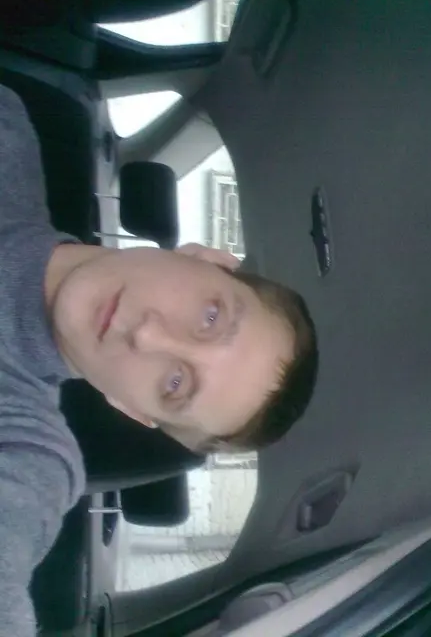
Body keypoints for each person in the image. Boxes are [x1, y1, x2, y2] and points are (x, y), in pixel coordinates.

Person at [0, 83, 318, 635]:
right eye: (211, 317)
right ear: (203, 257)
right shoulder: (7, 130)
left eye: (174, 384)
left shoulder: (30, 454)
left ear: (130, 409)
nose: (147, 336)